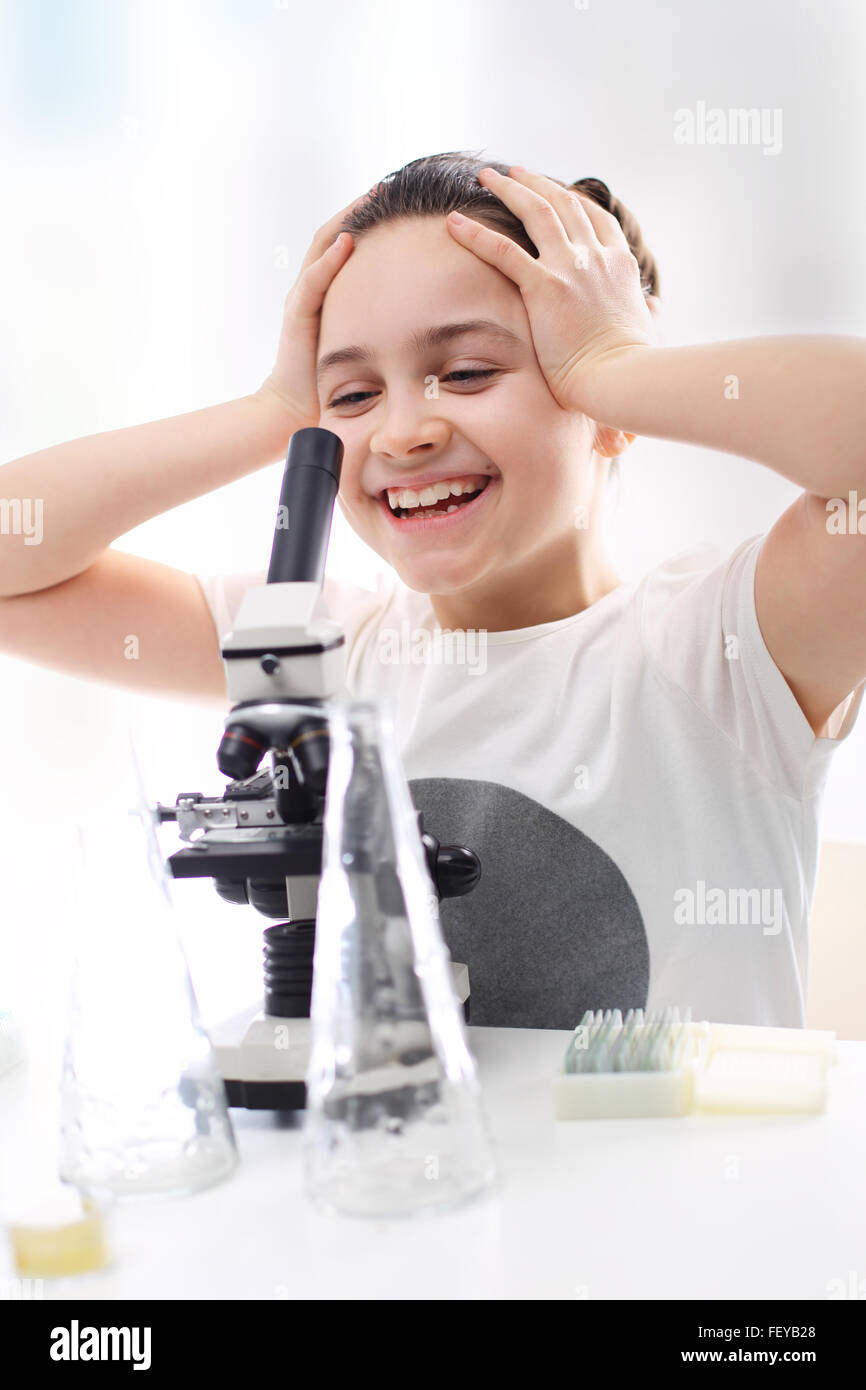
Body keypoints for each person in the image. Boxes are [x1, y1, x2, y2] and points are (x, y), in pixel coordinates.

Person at [2, 150, 864, 1029]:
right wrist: (269, 411)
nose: (405, 432)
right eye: (352, 392)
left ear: (603, 412)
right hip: (417, 1169)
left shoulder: (723, 647)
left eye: (468, 372)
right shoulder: (321, 649)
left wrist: (615, 367)